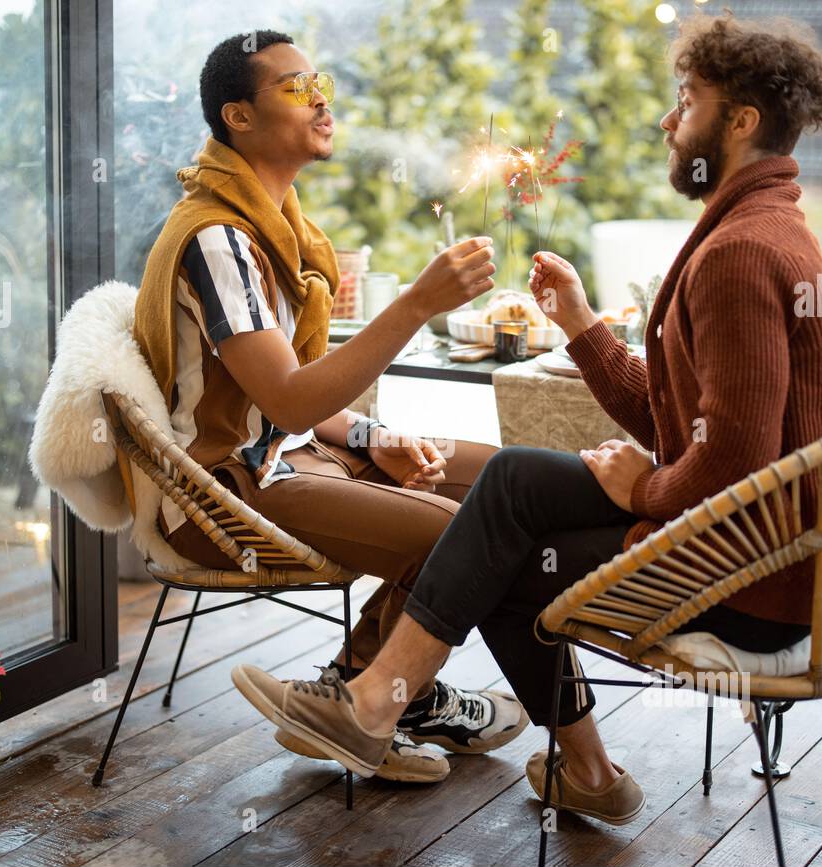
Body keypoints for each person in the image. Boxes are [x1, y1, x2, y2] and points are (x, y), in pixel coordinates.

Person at [230, 14, 822, 826]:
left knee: (502, 558)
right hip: (764, 551)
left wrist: (644, 491)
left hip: (752, 582)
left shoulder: (742, 251)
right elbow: (692, 426)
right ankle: (434, 721)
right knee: (513, 478)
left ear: (740, 123)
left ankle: (398, 710)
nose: (669, 121)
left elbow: (731, 461)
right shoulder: (764, 228)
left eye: (686, 101)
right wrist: (582, 327)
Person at [126, 31, 528, 785]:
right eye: (292, 86)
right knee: (460, 535)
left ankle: (358, 694)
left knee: (507, 482)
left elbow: (293, 394)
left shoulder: (279, 227)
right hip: (224, 492)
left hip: (290, 455)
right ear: (238, 117)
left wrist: (377, 435)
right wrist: (415, 304)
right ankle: (389, 697)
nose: (318, 99)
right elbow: (285, 397)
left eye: (320, 83)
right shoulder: (216, 238)